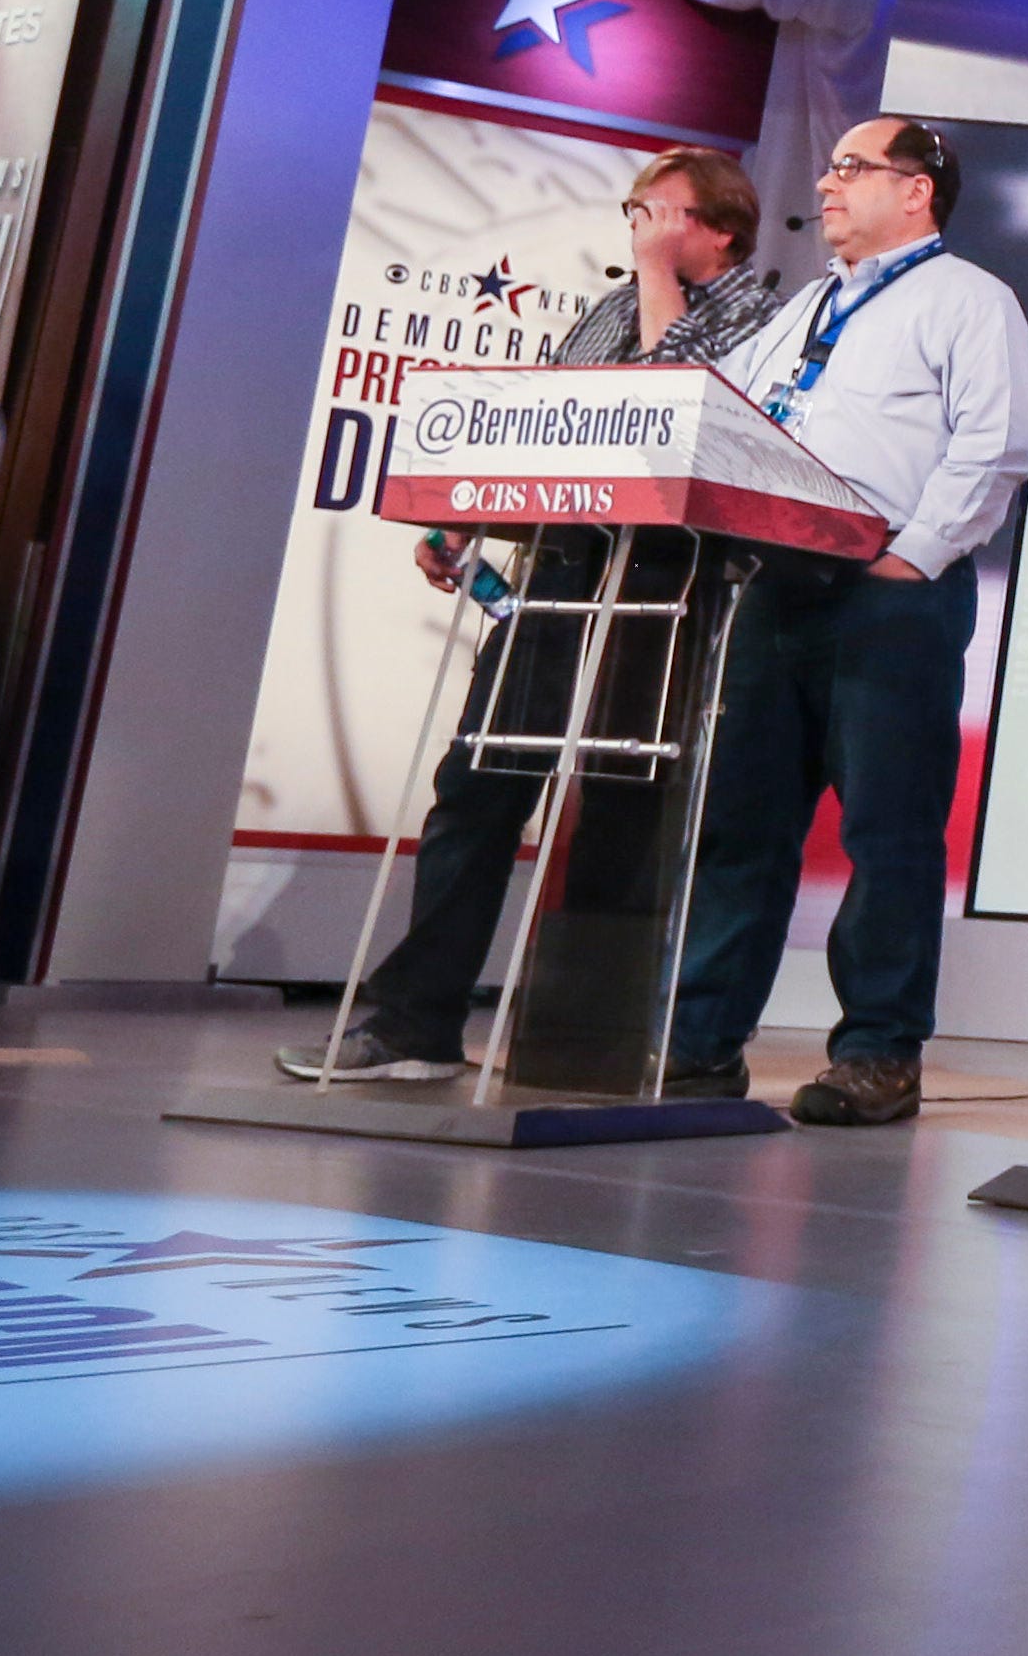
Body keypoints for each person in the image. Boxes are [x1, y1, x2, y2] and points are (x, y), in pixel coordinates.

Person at [278, 148, 792, 1082]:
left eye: (658, 209)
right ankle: (414, 1021)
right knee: (474, 790)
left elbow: (668, 402)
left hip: (661, 592)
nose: (636, 223)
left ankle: (580, 1037)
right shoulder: (608, 307)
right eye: (633, 208)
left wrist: (653, 276)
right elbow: (542, 424)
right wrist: (464, 521)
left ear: (718, 229)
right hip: (555, 574)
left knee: (620, 808)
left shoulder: (760, 314)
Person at [663, 116, 1028, 1126]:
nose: (827, 185)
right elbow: (727, 409)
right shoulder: (801, 312)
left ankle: (878, 1051)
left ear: (916, 190)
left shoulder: (969, 299)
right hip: (772, 584)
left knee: (889, 828)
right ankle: (697, 1045)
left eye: (850, 167)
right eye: (826, 165)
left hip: (890, 593)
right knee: (740, 827)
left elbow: (997, 444)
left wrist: (912, 555)